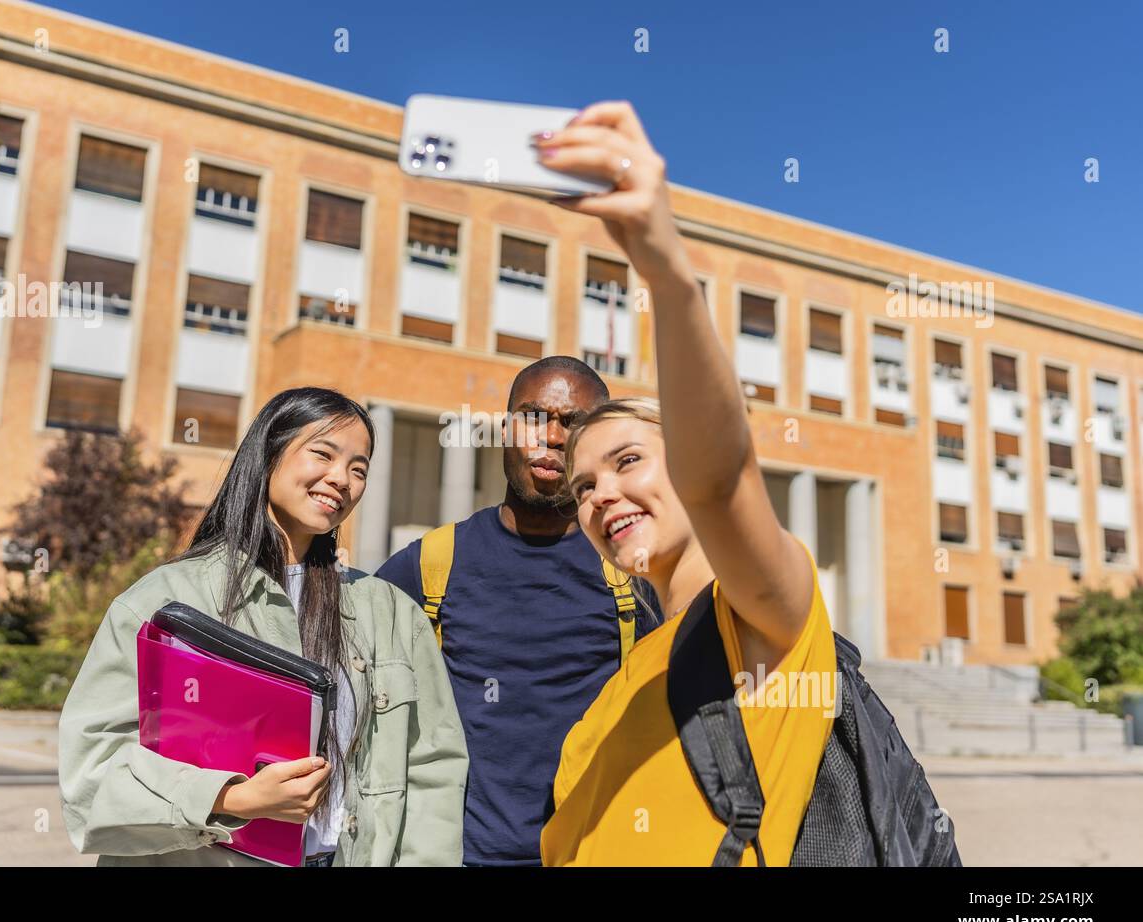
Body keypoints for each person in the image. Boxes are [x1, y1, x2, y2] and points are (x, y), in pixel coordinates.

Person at [534, 101, 836, 866]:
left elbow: (720, 478)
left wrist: (665, 272)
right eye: (584, 488)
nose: (600, 496)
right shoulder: (616, 688)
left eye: (629, 461)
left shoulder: (767, 615)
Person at [58, 386, 468, 866]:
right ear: (268, 454)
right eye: (323, 453)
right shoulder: (164, 600)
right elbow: (91, 769)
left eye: (359, 469)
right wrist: (234, 800)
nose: (342, 479)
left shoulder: (393, 614)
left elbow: (432, 772)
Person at [375, 356, 661, 866]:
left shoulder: (633, 575)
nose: (550, 437)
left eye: (572, 424)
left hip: (589, 854)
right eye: (532, 416)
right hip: (454, 856)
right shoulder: (432, 563)